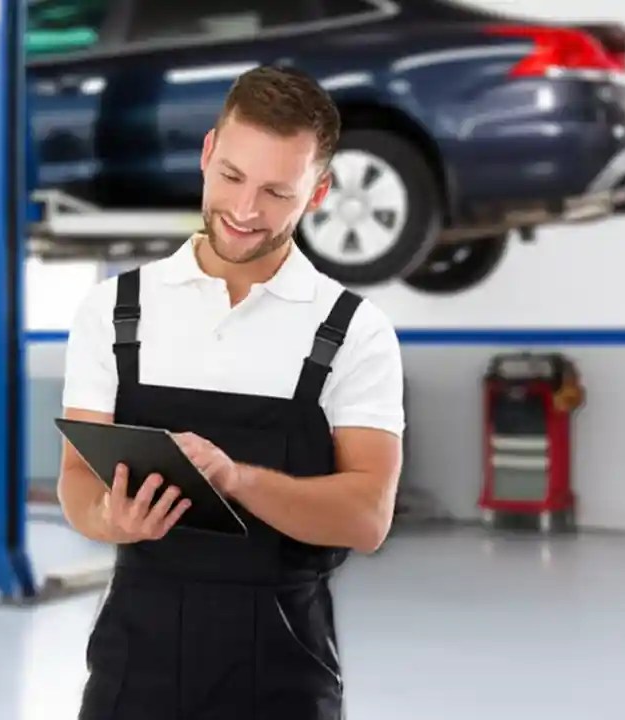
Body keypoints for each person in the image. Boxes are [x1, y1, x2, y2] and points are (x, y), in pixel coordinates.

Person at [57, 65, 405, 720]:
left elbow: (367, 516)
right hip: (134, 664)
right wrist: (109, 518)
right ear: (208, 153)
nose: (247, 212)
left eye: (278, 192)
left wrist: (238, 480)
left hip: (284, 674)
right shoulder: (115, 310)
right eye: (234, 177)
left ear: (319, 192)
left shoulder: (353, 331)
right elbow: (77, 479)